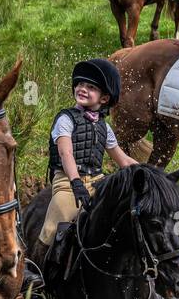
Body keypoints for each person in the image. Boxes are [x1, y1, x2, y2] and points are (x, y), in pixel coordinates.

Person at [32, 58, 136, 266]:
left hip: (97, 181)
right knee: (53, 227)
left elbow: (122, 159)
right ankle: (34, 274)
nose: (82, 89)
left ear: (104, 98)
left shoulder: (104, 128)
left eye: (90, 87)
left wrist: (152, 175)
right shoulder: (65, 119)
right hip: (67, 184)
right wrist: (76, 182)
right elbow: (66, 153)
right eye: (80, 85)